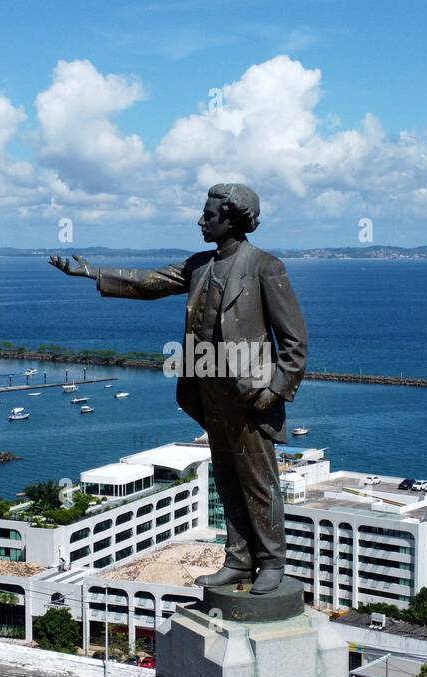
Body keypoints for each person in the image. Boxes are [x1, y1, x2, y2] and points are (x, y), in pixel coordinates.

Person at [50, 184, 308, 594]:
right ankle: (240, 559)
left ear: (232, 218)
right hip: (208, 392)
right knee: (226, 479)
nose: (200, 220)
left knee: (259, 481)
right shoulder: (199, 266)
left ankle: (272, 561)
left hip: (250, 397)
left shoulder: (265, 267)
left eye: (209, 214)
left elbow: (294, 342)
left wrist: (274, 390)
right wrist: (94, 273)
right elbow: (149, 282)